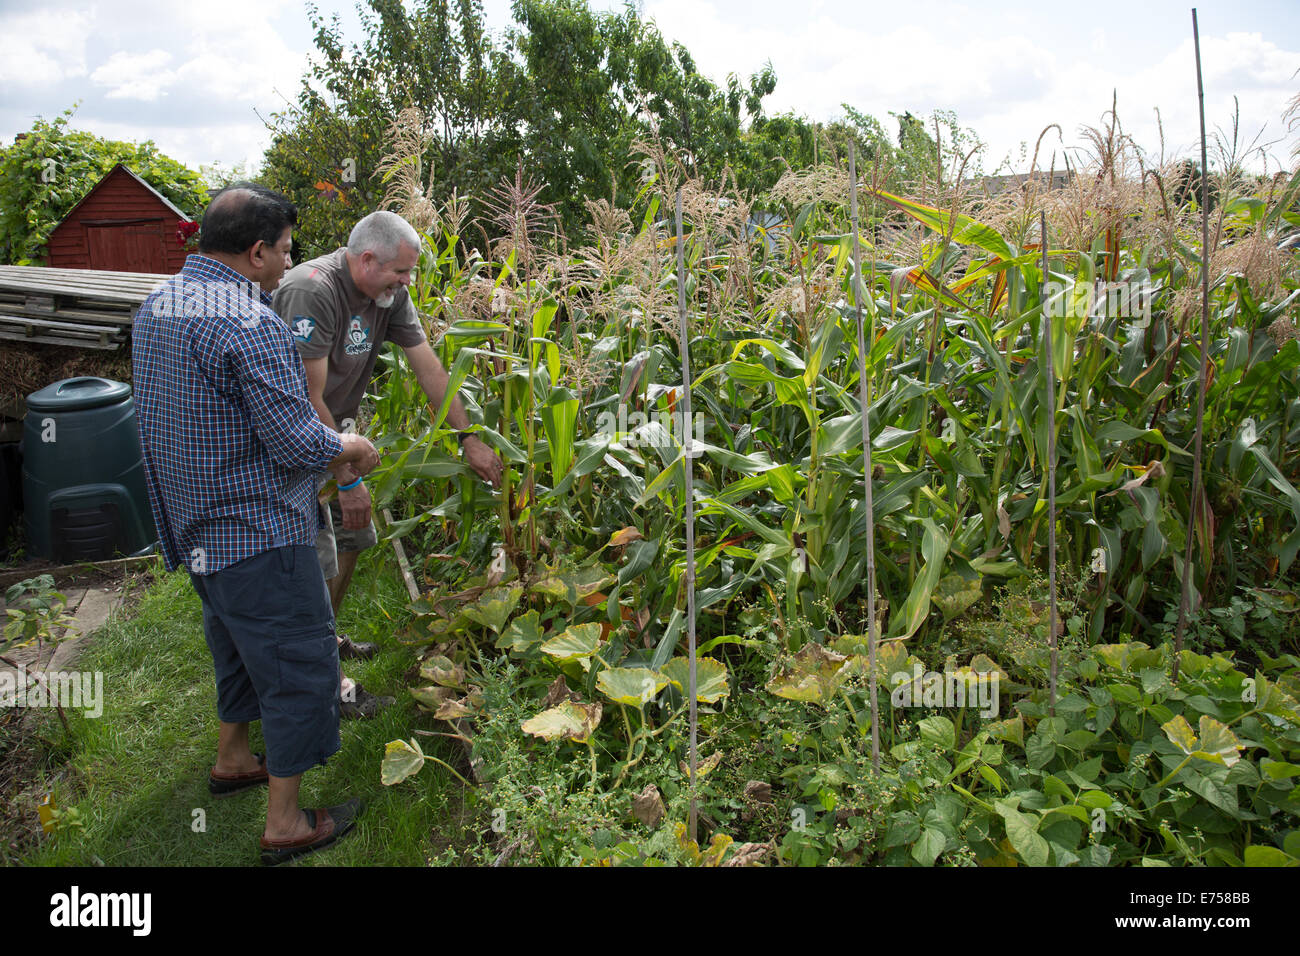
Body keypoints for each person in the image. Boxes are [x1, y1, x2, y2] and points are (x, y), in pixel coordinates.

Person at [133, 183, 381, 865]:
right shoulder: (249, 321)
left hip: (194, 526)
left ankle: (234, 758)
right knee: (300, 664)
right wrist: (351, 450)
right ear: (256, 251)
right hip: (257, 531)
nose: (287, 262)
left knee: (237, 645)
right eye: (284, 250)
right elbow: (299, 442)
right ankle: (286, 824)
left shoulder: (161, 303)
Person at [272, 210, 502, 717]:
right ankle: (321, 684)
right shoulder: (312, 291)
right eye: (401, 271)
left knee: (355, 539)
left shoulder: (388, 295)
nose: (408, 282)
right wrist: (346, 474)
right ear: (367, 258)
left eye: (411, 273)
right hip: (297, 447)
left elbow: (430, 370)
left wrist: (468, 437)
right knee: (315, 560)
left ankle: (324, 641)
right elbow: (304, 397)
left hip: (339, 437)